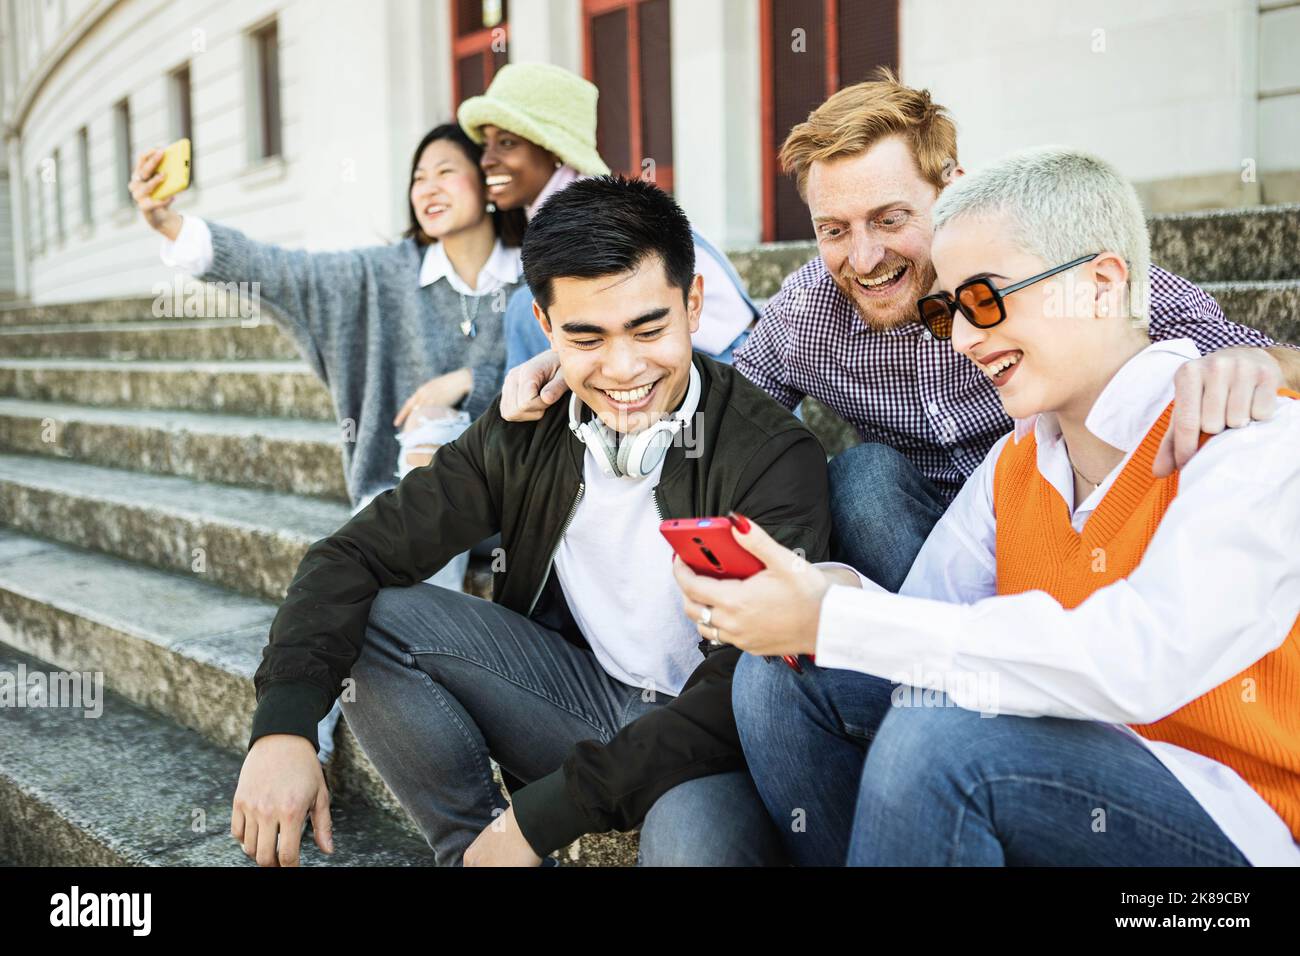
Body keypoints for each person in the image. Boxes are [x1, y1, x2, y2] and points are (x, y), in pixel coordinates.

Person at [684, 146, 1300, 866]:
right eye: (948, 309)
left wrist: (837, 617)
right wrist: (813, 595)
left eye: (986, 299)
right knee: (783, 679)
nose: (965, 339)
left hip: (1241, 828)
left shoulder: (1247, 439)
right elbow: (923, 622)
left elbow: (1138, 663)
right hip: (1057, 783)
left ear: (1101, 285)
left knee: (941, 737)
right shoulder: (1020, 459)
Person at [500, 69, 1300, 594]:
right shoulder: (810, 311)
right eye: (835, 229)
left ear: (951, 189)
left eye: (889, 218)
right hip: (921, 557)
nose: (865, 257)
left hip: (1064, 545)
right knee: (865, 479)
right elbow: (714, 400)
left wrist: (1255, 362)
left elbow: (1242, 344)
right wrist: (589, 362)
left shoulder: (1037, 262)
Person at [229, 176, 833, 867]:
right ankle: (470, 855)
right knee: (371, 610)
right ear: (545, 329)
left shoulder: (772, 456)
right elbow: (349, 555)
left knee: (695, 850)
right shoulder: (524, 429)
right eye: (587, 337)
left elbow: (743, 694)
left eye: (648, 327)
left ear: (693, 304)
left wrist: (533, 821)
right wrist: (284, 726)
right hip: (583, 701)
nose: (624, 367)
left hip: (710, 744)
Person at [131, 123, 527, 760]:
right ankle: (301, 743)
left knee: (431, 452)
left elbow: (569, 363)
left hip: (519, 496)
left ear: (486, 185)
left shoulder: (536, 273)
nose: (427, 186)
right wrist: (171, 225)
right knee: (375, 535)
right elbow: (280, 272)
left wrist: (468, 381)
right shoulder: (383, 276)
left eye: (446, 170)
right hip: (416, 496)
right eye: (417, 176)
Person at [455, 61, 759, 371]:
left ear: (555, 151)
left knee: (528, 306)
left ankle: (523, 417)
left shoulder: (587, 216)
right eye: (486, 144)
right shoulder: (573, 205)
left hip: (725, 366)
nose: (487, 160)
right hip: (694, 359)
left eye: (507, 143)